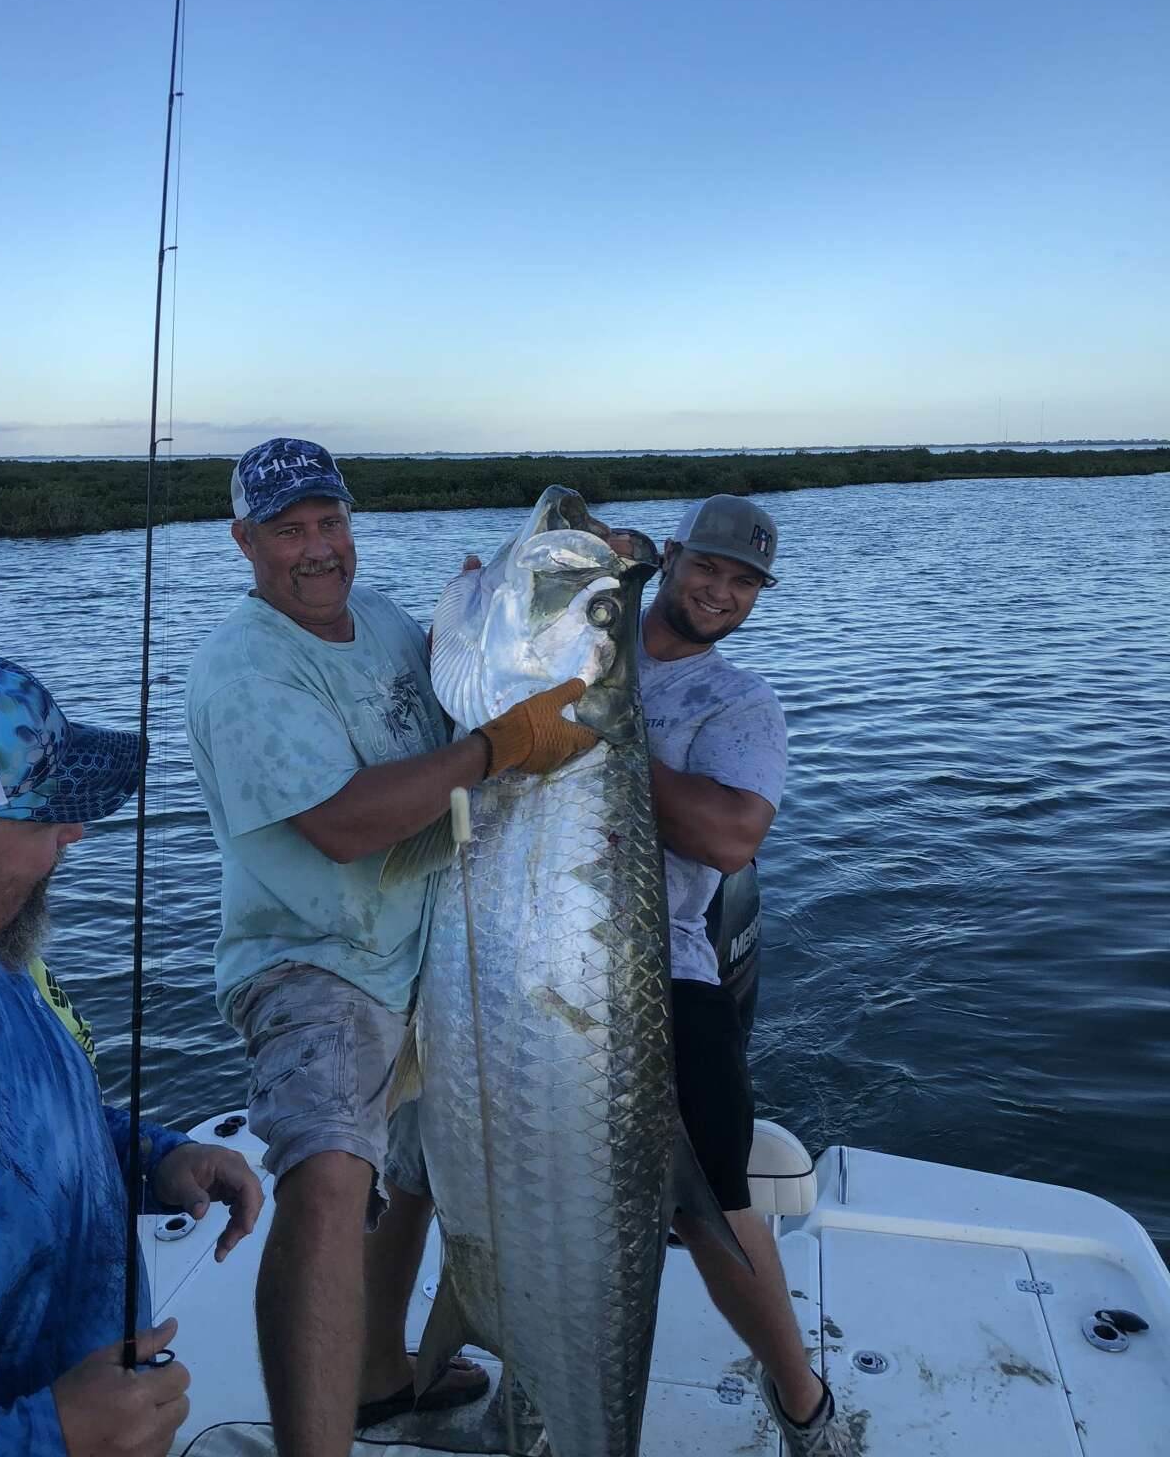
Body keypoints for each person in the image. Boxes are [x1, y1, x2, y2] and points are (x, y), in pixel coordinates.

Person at [183, 439, 597, 1457]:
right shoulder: (244, 667)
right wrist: (501, 746)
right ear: (245, 541)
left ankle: (376, 1369)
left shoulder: (380, 623)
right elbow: (342, 823)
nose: (318, 549)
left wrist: (490, 609)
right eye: (289, 530)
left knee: (419, 1168)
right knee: (330, 1175)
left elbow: (467, 683)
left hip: (433, 949)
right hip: (318, 959)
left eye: (331, 523)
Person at [0, 655, 263, 1457]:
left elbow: (29, 1118)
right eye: (46, 815)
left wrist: (154, 1159)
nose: (76, 833)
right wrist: (53, 1436)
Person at [638, 494, 845, 1456]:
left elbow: (730, 839)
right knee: (457, 1169)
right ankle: (407, 1374)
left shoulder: (741, 704)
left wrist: (596, 737)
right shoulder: (580, 637)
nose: (721, 592)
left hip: (664, 964)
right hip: (518, 958)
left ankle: (803, 1400)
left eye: (744, 581)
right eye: (707, 568)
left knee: (715, 1194)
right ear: (671, 558)